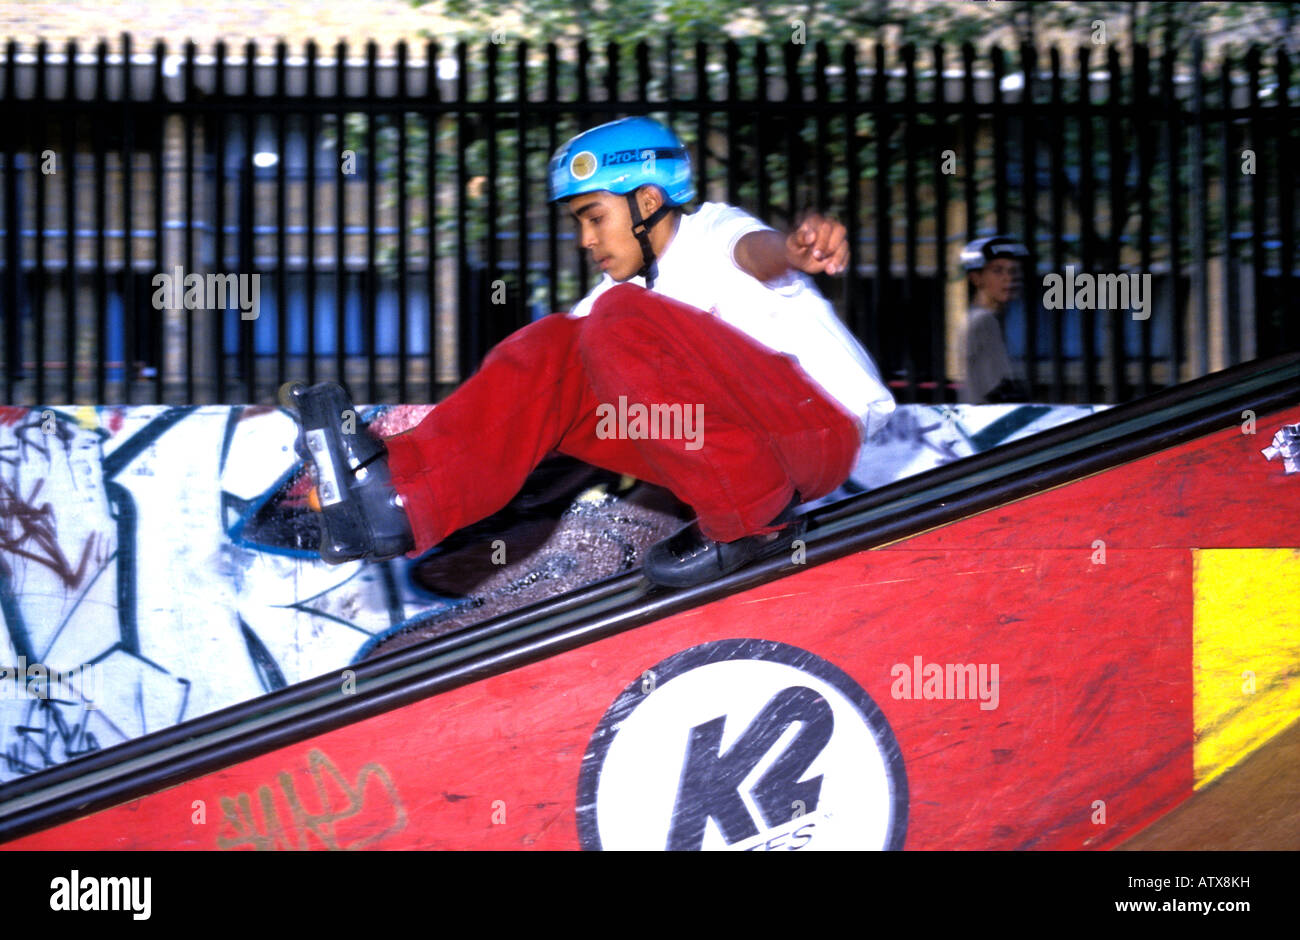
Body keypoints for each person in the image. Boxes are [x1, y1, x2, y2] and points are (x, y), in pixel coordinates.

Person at [304, 116, 894, 587]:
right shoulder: (624, 294)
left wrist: (794, 250)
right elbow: (528, 386)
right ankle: (401, 500)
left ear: (646, 202)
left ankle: (744, 520)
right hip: (750, 450)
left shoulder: (712, 233)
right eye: (578, 223)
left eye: (594, 217)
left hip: (817, 429)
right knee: (553, 344)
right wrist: (412, 449)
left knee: (613, 318)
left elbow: (757, 252)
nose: (586, 240)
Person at [959, 235, 1031, 404]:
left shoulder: (985, 318)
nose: (1009, 278)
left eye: (1014, 271)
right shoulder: (984, 321)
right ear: (976, 278)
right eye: (997, 271)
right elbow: (998, 388)